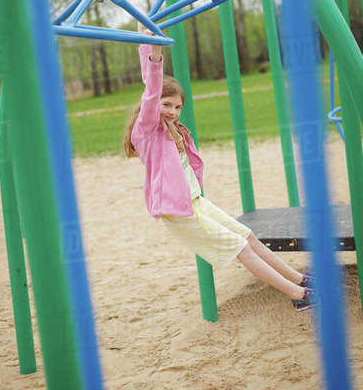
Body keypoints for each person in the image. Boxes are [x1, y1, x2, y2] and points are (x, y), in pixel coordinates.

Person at [123, 23, 316, 312]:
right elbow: (151, 89)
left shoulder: (173, 130)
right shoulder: (148, 130)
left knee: (248, 236)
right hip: (178, 211)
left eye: (177, 107)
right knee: (240, 248)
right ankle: (300, 295)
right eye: (166, 105)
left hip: (195, 202)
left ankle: (300, 278)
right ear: (152, 106)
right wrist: (152, 50)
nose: (172, 112)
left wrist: (146, 43)